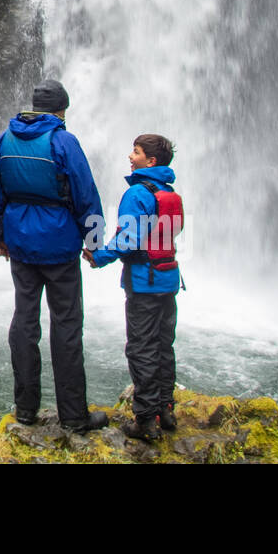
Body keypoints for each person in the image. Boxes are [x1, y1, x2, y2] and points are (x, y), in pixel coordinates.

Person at [0, 79, 108, 431]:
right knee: (66, 326)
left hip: (21, 245)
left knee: (24, 322)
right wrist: (95, 243)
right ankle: (73, 417)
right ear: (62, 109)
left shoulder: (5, 140)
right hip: (60, 247)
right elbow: (87, 195)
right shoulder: (64, 141)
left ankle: (25, 410)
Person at [84, 133, 181, 441]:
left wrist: (99, 257)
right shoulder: (168, 192)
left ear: (150, 161)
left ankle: (145, 421)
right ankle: (166, 410)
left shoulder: (138, 193)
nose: (130, 156)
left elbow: (129, 239)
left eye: (135, 152)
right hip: (168, 279)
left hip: (144, 283)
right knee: (164, 346)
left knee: (141, 349)